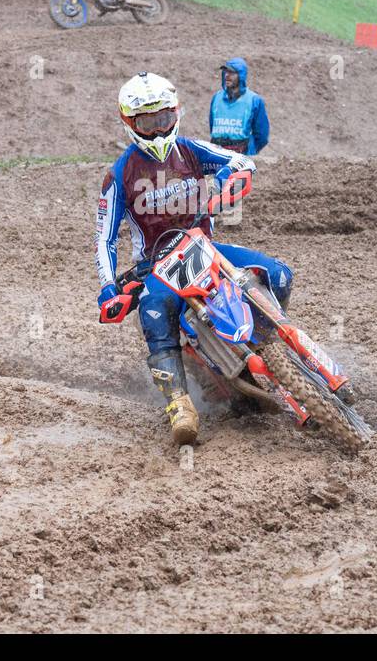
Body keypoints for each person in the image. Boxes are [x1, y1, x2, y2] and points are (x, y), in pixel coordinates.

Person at [95, 72, 292, 446]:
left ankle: (272, 345)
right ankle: (179, 404)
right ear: (130, 123)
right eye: (147, 122)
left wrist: (226, 175)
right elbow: (104, 237)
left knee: (278, 273)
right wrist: (107, 287)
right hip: (157, 266)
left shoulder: (189, 149)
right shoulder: (120, 174)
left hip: (205, 248)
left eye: (163, 118)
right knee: (154, 310)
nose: (157, 129)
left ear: (176, 114)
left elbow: (241, 161)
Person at [209, 59, 270, 154]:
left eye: (231, 72)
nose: (227, 75)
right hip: (216, 154)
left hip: (241, 156)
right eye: (225, 71)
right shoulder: (216, 98)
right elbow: (212, 126)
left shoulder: (254, 100)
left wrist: (250, 151)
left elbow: (262, 136)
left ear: (241, 76)